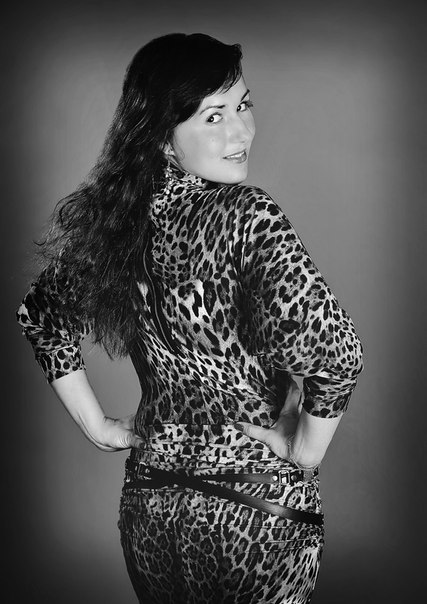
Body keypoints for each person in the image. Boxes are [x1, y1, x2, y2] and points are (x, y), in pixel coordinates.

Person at [17, 33, 363, 604]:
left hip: (152, 511)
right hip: (256, 510)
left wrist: (98, 427)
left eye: (244, 105)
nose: (241, 132)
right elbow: (337, 354)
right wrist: (306, 449)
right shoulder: (248, 216)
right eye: (213, 116)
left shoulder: (115, 226)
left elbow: (42, 315)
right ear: (161, 136)